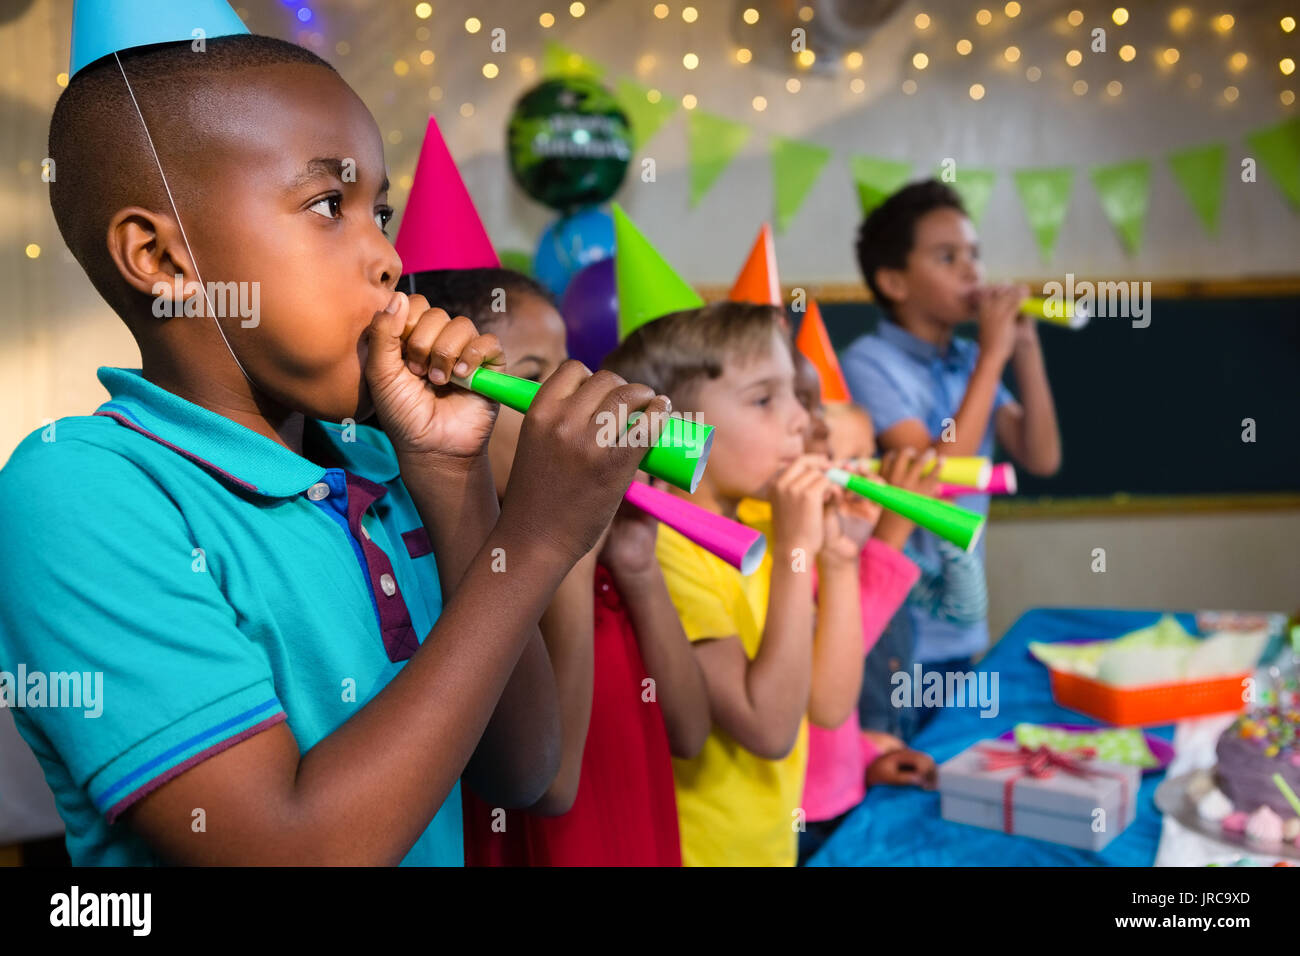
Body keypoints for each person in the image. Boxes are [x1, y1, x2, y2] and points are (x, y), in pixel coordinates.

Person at [0, 31, 667, 865]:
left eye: (381, 213)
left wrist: (457, 481)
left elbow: (522, 766)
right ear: (162, 257)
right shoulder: (81, 488)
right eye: (328, 206)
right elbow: (289, 849)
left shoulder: (388, 466)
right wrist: (537, 543)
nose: (390, 260)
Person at [411, 268, 709, 865]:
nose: (570, 402)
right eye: (531, 379)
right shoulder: (466, 573)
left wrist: (636, 566)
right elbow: (551, 786)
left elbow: (691, 734)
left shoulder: (602, 556)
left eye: (568, 371)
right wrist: (569, 560)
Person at [604, 301, 868, 866]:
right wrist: (799, 549)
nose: (801, 419)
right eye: (764, 399)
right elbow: (769, 728)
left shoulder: (766, 520)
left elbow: (826, 705)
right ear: (678, 428)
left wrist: (839, 559)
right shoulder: (669, 550)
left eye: (794, 395)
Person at [842, 179, 1060, 724]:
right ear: (894, 281)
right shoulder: (869, 361)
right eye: (947, 257)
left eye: (975, 255)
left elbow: (1040, 456)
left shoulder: (967, 358)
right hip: (903, 622)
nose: (972, 272)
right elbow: (935, 478)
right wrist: (992, 358)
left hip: (964, 619)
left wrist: (1024, 349)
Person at [790, 352, 937, 864]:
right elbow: (827, 676)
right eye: (841, 459)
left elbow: (838, 708)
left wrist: (867, 752)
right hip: (795, 816)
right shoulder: (793, 552)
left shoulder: (841, 543)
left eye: (867, 456)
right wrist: (889, 537)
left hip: (845, 789)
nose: (861, 476)